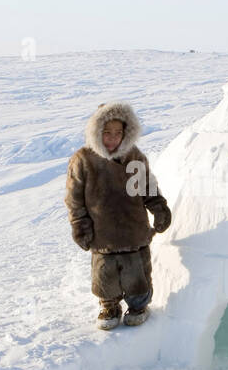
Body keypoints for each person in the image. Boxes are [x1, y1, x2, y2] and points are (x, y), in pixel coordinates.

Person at [65, 102, 172, 330]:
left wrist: (159, 208)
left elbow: (148, 189)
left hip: (134, 231)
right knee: (105, 275)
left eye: (118, 133)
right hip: (103, 235)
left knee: (138, 275)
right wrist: (80, 227)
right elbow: (75, 200)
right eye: (106, 133)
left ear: (127, 132)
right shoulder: (84, 161)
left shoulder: (134, 157)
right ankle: (109, 305)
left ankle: (138, 305)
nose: (112, 138)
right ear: (96, 132)